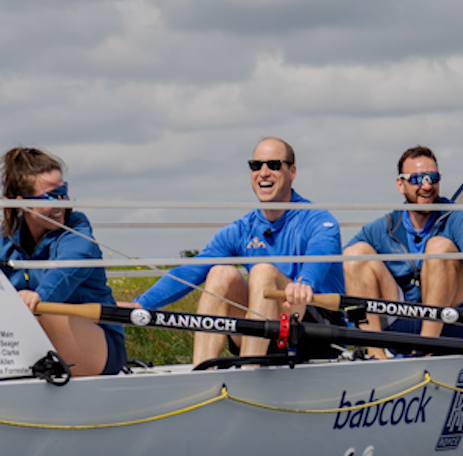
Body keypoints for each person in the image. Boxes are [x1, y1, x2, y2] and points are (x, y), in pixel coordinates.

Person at [129, 138, 343, 365]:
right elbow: (192, 270)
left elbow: (322, 251)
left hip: (317, 328)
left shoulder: (318, 220)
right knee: (220, 273)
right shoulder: (243, 229)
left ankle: (248, 373)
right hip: (266, 328)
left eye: (273, 165)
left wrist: (305, 282)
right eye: (256, 166)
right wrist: (140, 305)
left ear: (292, 172)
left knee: (262, 272)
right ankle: (202, 372)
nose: (263, 173)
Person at [0, 148, 127, 377]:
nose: (61, 203)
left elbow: (65, 272)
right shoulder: (2, 239)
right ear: (22, 203)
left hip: (100, 343)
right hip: (35, 337)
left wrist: (38, 296)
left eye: (63, 192)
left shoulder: (77, 233)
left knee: (41, 310)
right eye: (51, 196)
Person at [344, 146, 463, 347]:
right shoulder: (385, 227)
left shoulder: (461, 218)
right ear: (401, 184)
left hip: (457, 321)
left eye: (432, 178)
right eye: (417, 179)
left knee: (438, 248)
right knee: (355, 255)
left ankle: (426, 348)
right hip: (404, 320)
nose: (426, 186)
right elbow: (347, 269)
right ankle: (376, 356)